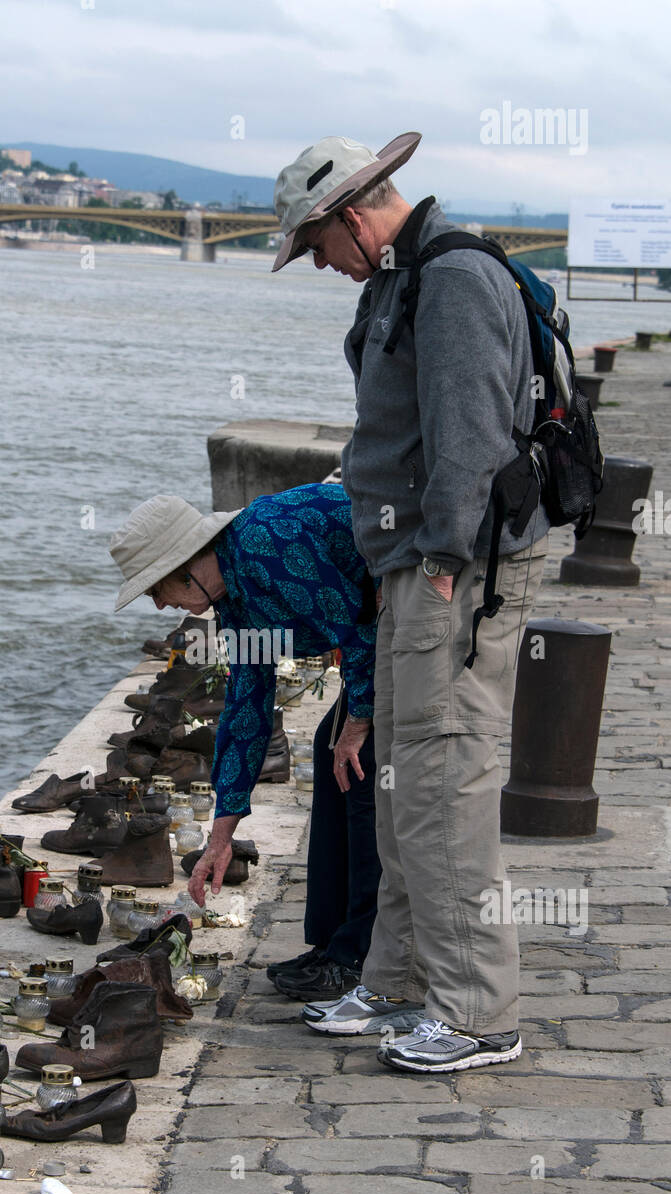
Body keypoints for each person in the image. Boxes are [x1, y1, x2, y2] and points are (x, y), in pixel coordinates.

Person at [271, 133, 548, 1072]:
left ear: (352, 214)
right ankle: (398, 983)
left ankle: (476, 1014)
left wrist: (437, 560)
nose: (320, 265)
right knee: (401, 787)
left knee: (444, 787)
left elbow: (469, 432)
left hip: (450, 572)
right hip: (413, 567)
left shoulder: (453, 278)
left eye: (316, 245)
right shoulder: (403, 273)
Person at [109, 484, 380, 999]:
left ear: (187, 564)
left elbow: (357, 628)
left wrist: (359, 722)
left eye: (156, 590)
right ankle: (331, 944)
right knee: (331, 755)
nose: (163, 606)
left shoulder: (262, 551)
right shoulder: (234, 594)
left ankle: (361, 956)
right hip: (372, 622)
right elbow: (248, 706)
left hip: (419, 599)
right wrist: (221, 833)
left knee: (361, 765)